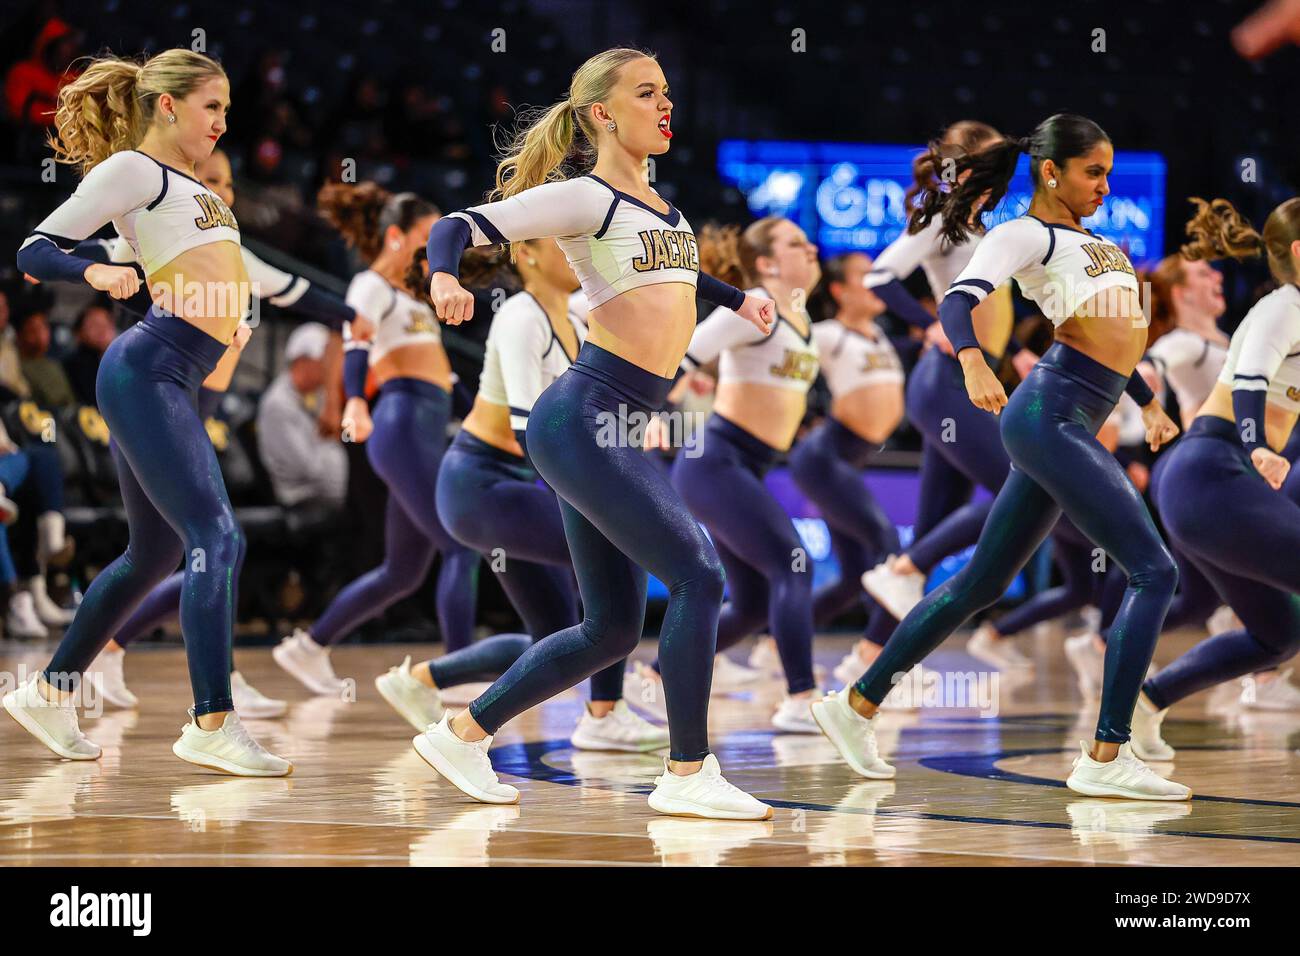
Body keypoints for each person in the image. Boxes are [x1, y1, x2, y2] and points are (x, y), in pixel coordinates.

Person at [419, 47, 776, 819]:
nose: (665, 104)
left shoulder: (666, 212)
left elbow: (682, 276)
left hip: (615, 420)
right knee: (699, 575)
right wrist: (444, 274)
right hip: (583, 418)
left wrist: (738, 299)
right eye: (648, 94)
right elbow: (458, 223)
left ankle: (461, 734)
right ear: (602, 114)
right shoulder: (585, 199)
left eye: (668, 92)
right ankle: (687, 773)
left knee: (610, 628)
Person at [812, 113, 1190, 801]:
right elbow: (958, 303)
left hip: (1078, 409)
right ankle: (1107, 756)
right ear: (1052, 172)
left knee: (981, 583)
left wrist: (1150, 402)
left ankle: (855, 704)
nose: (1105, 185)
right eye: (1093, 171)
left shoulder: (1094, 240)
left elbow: (1116, 336)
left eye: (1109, 171)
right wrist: (972, 362)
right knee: (1155, 569)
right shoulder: (1024, 234)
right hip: (1049, 415)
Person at [1, 49, 310, 775]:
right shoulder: (135, 170)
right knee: (216, 536)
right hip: (149, 371)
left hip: (176, 372)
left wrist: (226, 315)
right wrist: (94, 270)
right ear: (166, 106)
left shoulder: (188, 185)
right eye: (212, 107)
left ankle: (50, 689)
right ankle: (211, 720)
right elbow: (35, 250)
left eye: (229, 110)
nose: (223, 123)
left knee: (156, 553)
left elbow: (193, 270)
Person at [374, 247, 668, 752]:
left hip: (516, 482)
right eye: (565, 240)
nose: (581, 250)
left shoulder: (576, 317)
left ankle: (422, 679)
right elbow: (529, 427)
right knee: (620, 541)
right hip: (479, 486)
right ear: (527, 251)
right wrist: (597, 490)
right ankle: (604, 713)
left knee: (560, 637)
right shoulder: (519, 316)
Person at [273, 181, 479, 695]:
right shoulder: (370, 286)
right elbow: (355, 343)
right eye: (428, 236)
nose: (438, 249)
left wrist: (478, 416)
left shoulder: (416, 296)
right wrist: (355, 403)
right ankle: (454, 676)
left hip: (427, 424)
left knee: (403, 571)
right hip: (400, 423)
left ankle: (310, 646)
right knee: (460, 546)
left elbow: (444, 376)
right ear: (395, 236)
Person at [1127, 196, 1300, 759]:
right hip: (1213, 472)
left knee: (1278, 635)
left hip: (1217, 482)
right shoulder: (1286, 305)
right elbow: (1249, 381)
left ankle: (1143, 705)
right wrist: (1257, 448)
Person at [256, 322, 348, 510]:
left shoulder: (318, 396)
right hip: (303, 499)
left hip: (328, 493)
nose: (330, 372)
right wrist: (333, 447)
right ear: (303, 362)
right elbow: (305, 467)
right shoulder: (278, 404)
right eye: (325, 364)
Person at [15, 309, 76, 409]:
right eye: (34, 329)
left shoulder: (54, 364)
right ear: (20, 334)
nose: (41, 334)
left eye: (44, 327)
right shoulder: (17, 365)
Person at [62, 301, 117, 406]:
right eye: (94, 325)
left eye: (107, 323)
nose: (102, 330)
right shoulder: (76, 365)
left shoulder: (118, 362)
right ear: (78, 332)